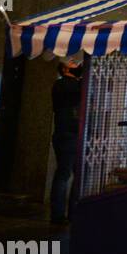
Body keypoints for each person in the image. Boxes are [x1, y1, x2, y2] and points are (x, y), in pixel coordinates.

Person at [50, 59, 83, 224]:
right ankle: (60, 215)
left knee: (67, 173)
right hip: (69, 135)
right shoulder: (64, 85)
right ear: (64, 69)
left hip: (65, 134)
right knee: (64, 174)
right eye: (72, 63)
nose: (77, 65)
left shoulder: (63, 86)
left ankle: (67, 214)